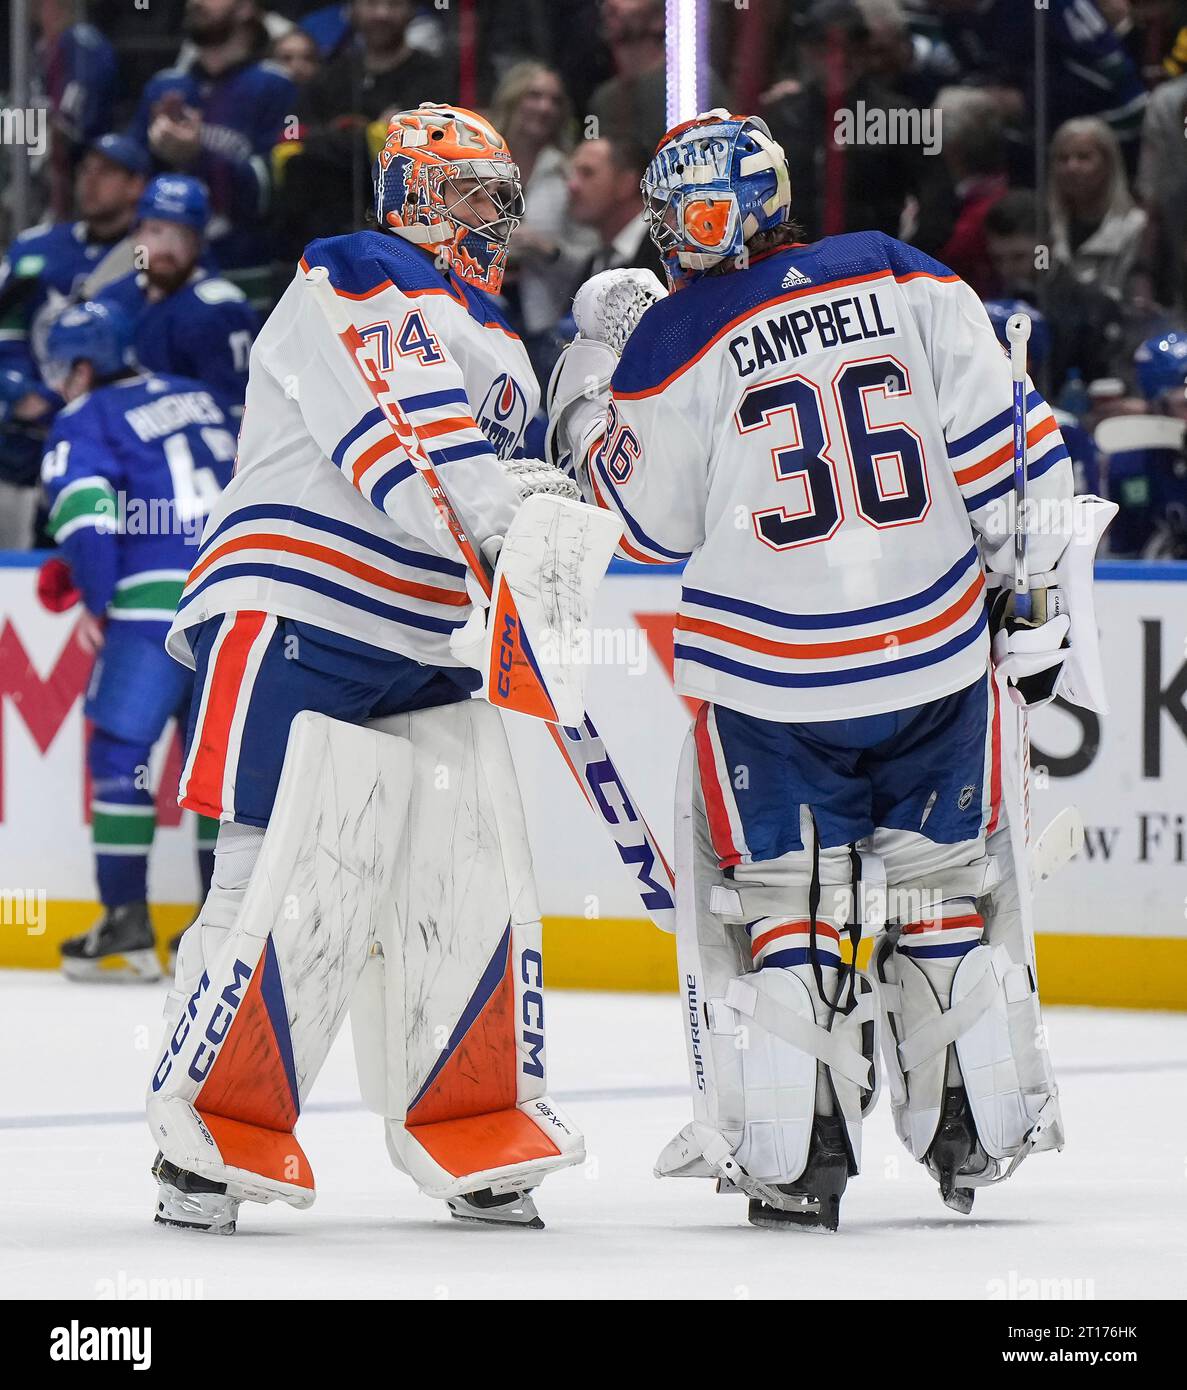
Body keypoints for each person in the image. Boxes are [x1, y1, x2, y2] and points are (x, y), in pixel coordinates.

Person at [548, 110, 1106, 1230]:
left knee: (784, 916)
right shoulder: (898, 269)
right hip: (934, 660)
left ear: (737, 208)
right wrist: (1031, 602)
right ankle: (972, 1125)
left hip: (769, 682)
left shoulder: (675, 335)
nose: (671, 236)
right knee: (940, 897)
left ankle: (797, 1157)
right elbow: (1021, 449)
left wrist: (590, 383)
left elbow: (638, 521)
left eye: (687, 213)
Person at [145, 104, 587, 1235]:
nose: (495, 217)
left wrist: (590, 391)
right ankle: (209, 1136)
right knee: (279, 874)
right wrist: (501, 515)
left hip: (422, 636)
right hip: (298, 614)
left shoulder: (497, 340)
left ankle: (472, 1124)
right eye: (473, 196)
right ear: (412, 201)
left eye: (500, 195)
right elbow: (407, 443)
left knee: (465, 871)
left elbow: (526, 504)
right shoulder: (353, 270)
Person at [39, 300, 234, 981]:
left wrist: (98, 597)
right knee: (219, 765)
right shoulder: (204, 396)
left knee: (123, 754)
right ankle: (219, 931)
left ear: (85, 365)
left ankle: (125, 930)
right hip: (237, 600)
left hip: (152, 608)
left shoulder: (84, 416)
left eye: (63, 366)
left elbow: (87, 512)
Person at [0, 133, 151, 545]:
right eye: (86, 170)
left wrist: (54, 401)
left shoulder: (152, 253)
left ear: (136, 185)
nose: (90, 180)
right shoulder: (38, 244)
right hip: (24, 436)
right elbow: (8, 327)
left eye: (106, 172)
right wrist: (17, 388)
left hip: (106, 432)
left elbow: (151, 348)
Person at [129, 0, 297, 269]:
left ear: (246, 7)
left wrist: (199, 156)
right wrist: (158, 153)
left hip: (245, 268)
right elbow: (128, 184)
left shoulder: (275, 86)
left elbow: (276, 189)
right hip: (161, 268)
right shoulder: (165, 86)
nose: (195, 2)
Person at [98, 175, 260, 420]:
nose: (166, 249)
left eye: (181, 236)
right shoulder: (112, 299)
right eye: (156, 231)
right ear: (136, 235)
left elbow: (234, 414)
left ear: (198, 244)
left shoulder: (220, 312)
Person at [566, 137, 666, 283]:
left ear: (626, 183)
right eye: (573, 173)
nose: (572, 185)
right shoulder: (596, 261)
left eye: (587, 173)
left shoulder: (668, 254)